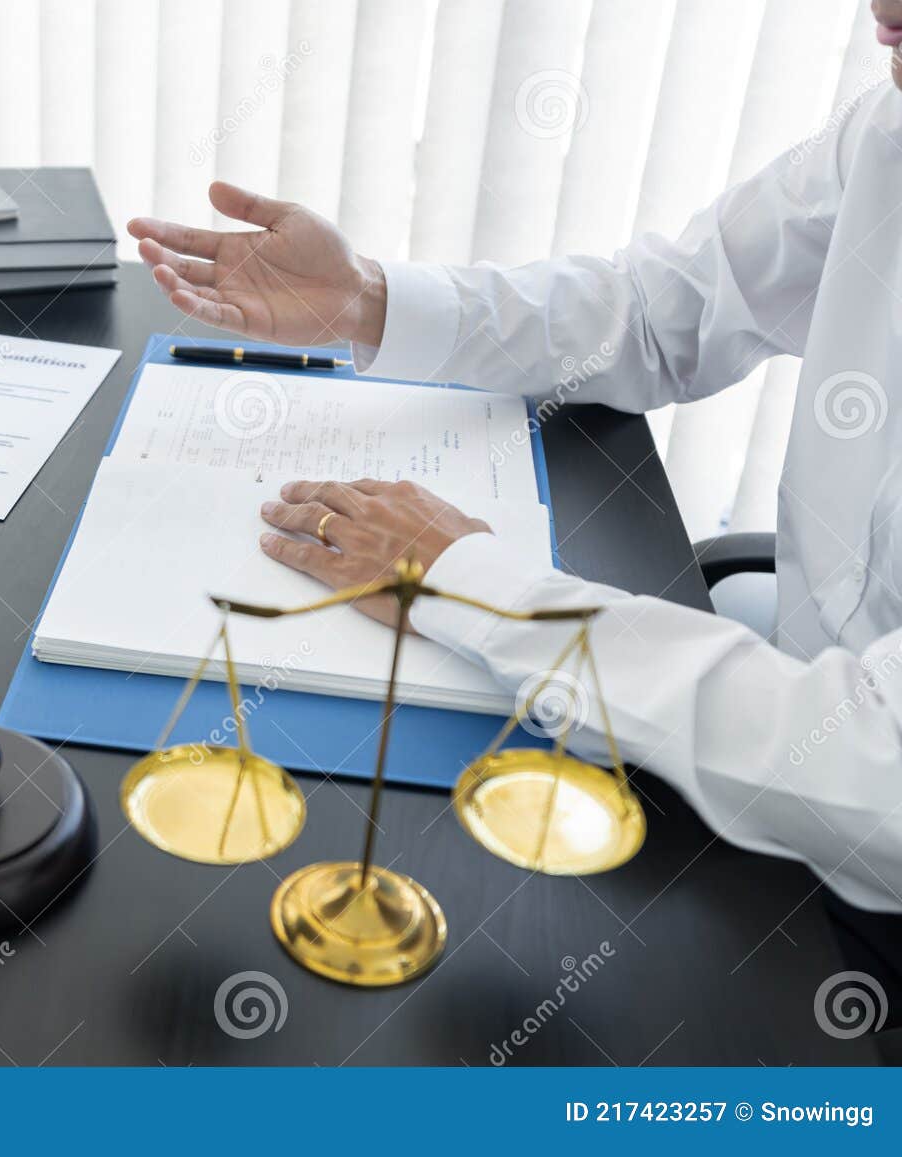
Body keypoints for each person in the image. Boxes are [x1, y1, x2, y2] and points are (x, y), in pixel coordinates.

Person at [130, 7, 902, 1024]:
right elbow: (662, 307)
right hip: (755, 738)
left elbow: (870, 769)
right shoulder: (884, 133)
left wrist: (465, 579)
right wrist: (365, 299)